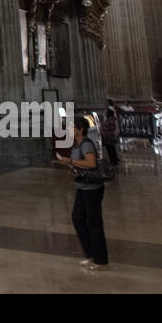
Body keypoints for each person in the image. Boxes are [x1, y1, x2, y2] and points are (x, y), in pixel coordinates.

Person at [56, 116, 108, 271]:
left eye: (72, 127)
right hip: (82, 188)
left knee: (94, 223)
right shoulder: (77, 145)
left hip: (92, 189)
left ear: (80, 130)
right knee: (77, 218)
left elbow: (91, 164)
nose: (69, 130)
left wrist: (70, 161)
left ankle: (100, 259)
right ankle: (90, 253)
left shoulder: (86, 144)